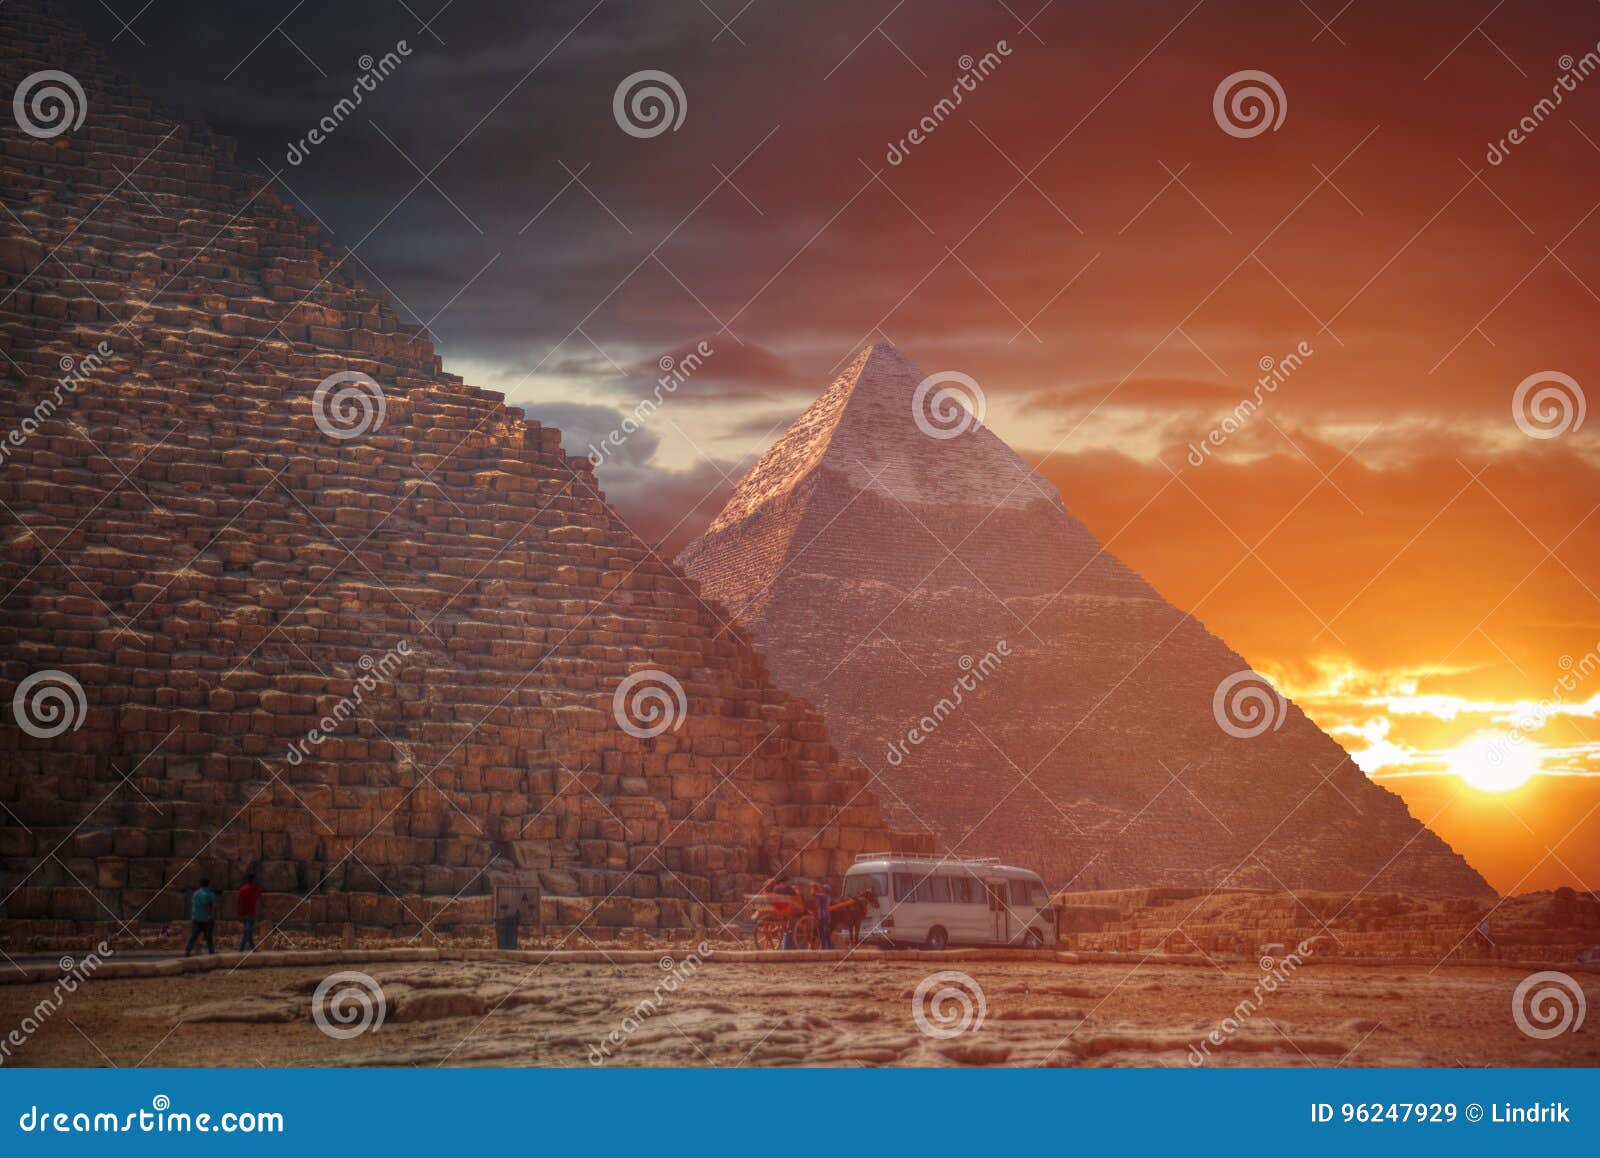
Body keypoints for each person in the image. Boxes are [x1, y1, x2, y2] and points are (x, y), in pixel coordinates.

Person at [186, 878, 219, 956]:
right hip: (206, 918)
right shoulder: (209, 893)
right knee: (208, 936)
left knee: (194, 935)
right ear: (208, 884)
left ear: (200, 884)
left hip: (196, 917)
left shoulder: (196, 893)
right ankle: (211, 950)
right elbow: (212, 903)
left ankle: (188, 950)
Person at [236, 873, 262, 951]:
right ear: (253, 880)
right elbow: (259, 898)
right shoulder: (255, 889)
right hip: (250, 913)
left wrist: (239, 913)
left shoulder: (243, 889)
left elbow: (239, 902)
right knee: (247, 931)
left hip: (246, 913)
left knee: (249, 931)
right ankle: (242, 948)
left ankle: (253, 948)